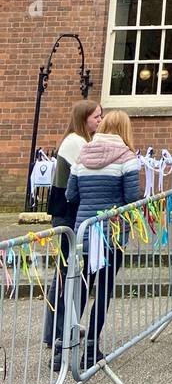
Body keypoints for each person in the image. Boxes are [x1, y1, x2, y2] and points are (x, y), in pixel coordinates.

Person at [65, 109, 141, 370]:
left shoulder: (81, 156)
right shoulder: (127, 158)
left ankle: (67, 345)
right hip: (111, 234)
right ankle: (91, 347)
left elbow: (70, 195)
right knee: (104, 290)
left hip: (84, 233)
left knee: (81, 289)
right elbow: (132, 197)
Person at [44, 99, 102, 353]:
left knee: (68, 274)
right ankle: (58, 334)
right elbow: (87, 173)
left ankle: (58, 332)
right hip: (66, 214)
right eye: (96, 117)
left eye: (101, 116)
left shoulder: (82, 141)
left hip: (71, 212)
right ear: (83, 119)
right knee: (66, 275)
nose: (100, 121)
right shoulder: (75, 143)